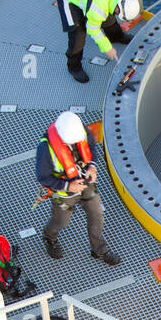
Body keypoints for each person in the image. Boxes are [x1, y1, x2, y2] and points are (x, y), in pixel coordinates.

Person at [36, 111, 120, 265]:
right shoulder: (45, 149)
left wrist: (92, 167)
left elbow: (91, 148)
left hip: (86, 185)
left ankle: (99, 249)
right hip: (64, 193)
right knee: (61, 222)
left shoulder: (79, 130)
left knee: (97, 214)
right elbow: (43, 177)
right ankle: (49, 237)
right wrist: (68, 185)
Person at [51, 0, 141, 83]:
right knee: (78, 33)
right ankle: (73, 66)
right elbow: (93, 30)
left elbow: (109, 5)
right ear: (118, 8)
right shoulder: (97, 8)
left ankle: (116, 36)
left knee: (107, 15)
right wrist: (107, 48)